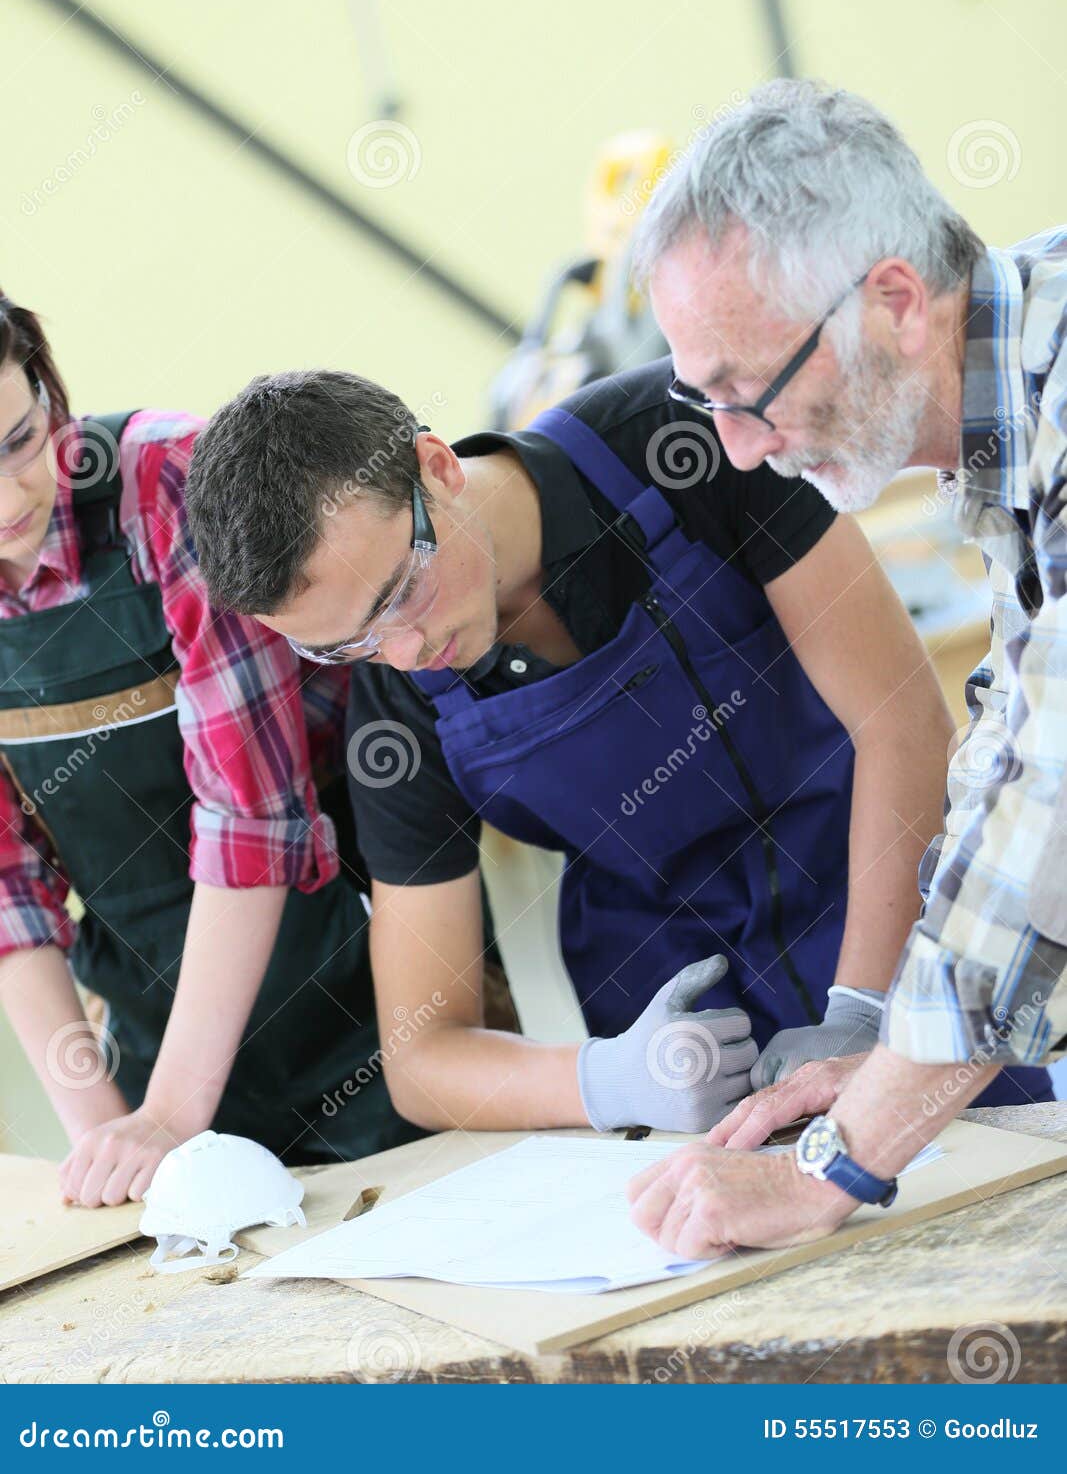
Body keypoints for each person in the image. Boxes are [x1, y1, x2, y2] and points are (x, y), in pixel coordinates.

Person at [186, 345, 986, 1139]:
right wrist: (610, 1080)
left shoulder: (688, 439)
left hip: (886, 909)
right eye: (343, 647)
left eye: (400, 593)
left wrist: (865, 1008)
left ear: (437, 467)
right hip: (669, 1003)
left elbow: (901, 723)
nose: (401, 652)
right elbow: (421, 1060)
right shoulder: (397, 712)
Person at [620, 77, 1065, 1259]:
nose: (737, 450)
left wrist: (834, 1165)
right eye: (703, 401)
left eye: (750, 393)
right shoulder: (1010, 410)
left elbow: (1051, 816)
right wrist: (884, 1053)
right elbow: (1008, 754)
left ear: (895, 301)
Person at [0, 297, 418, 1209]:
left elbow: (251, 813)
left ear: (45, 385)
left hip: (360, 1005)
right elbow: (9, 891)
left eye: (19, 441)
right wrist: (105, 1135)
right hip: (148, 1033)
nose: (7, 503)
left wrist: (170, 1115)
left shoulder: (168, 483)